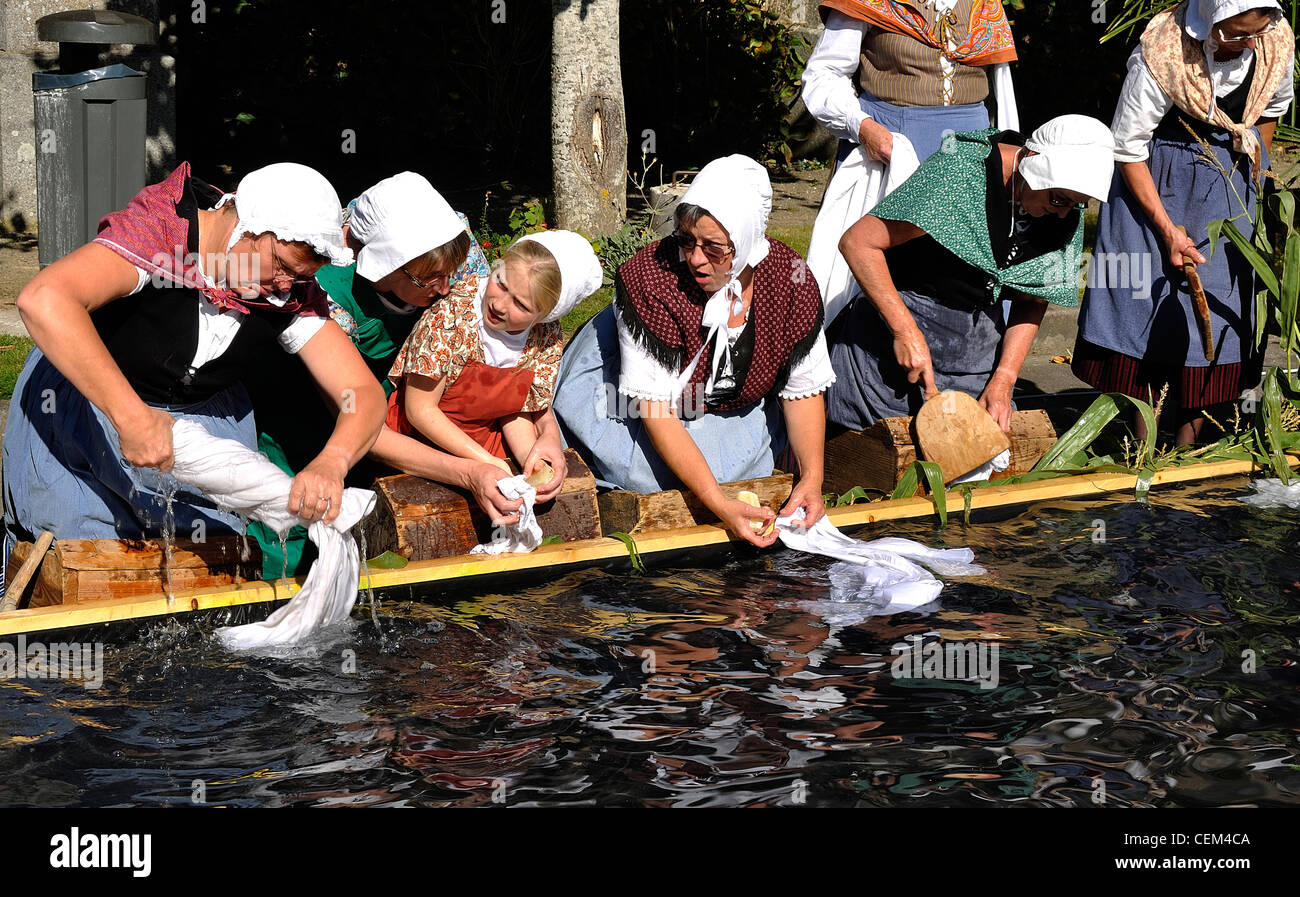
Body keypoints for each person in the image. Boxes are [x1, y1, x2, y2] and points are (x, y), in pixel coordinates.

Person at [2, 162, 387, 576]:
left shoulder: (287, 289)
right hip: (89, 416)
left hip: (201, 433)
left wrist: (334, 460)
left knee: (200, 577)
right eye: (279, 265)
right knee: (82, 569)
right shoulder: (160, 234)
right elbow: (45, 299)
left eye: (297, 276)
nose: (284, 285)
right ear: (246, 225)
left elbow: (361, 394)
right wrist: (131, 416)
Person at [246, 171, 544, 577]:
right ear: (385, 265)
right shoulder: (324, 294)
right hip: (317, 427)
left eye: (449, 275)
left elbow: (507, 359)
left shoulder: (450, 255)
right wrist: (470, 470)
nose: (444, 289)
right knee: (296, 549)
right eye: (429, 280)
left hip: (406, 434)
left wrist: (546, 436)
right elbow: (358, 420)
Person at [552, 155, 836, 547]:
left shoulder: (791, 280)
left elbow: (802, 389)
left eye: (714, 248)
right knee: (655, 482)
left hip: (720, 402)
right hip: (634, 401)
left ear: (747, 240)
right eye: (687, 241)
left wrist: (812, 479)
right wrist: (718, 502)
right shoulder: (652, 281)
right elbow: (654, 408)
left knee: (746, 476)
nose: (695, 259)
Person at [1071, 0, 1294, 445]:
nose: (1247, 43)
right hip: (1156, 180)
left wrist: (1253, 167)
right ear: (1210, 19)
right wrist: (1167, 229)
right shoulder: (1164, 49)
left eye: (1254, 33)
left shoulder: (1273, 40)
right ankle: (1144, 444)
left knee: (1216, 306)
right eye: (1234, 33)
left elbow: (1272, 109)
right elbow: (1128, 146)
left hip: (1227, 187)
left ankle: (1189, 447)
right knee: (1146, 302)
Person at [826, 115, 1115, 432]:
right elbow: (858, 243)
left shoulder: (1062, 208)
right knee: (879, 460)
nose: (1062, 212)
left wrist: (1005, 377)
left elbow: (1033, 296)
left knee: (974, 458)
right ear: (1032, 162)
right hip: (891, 350)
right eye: (1058, 198)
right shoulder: (961, 173)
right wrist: (904, 331)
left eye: (1075, 204)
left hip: (975, 355)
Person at [387, 230, 602, 482]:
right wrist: (486, 462)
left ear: (546, 315)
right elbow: (420, 410)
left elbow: (515, 410)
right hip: (420, 444)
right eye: (500, 282)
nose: (499, 305)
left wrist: (529, 460)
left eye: (521, 305)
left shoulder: (543, 336)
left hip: (486, 445)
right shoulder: (451, 319)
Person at [802, 0, 1019, 167]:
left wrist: (1010, 149)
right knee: (884, 226)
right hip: (890, 148)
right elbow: (824, 72)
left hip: (970, 152)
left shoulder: (985, 4)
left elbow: (1003, 85)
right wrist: (863, 127)